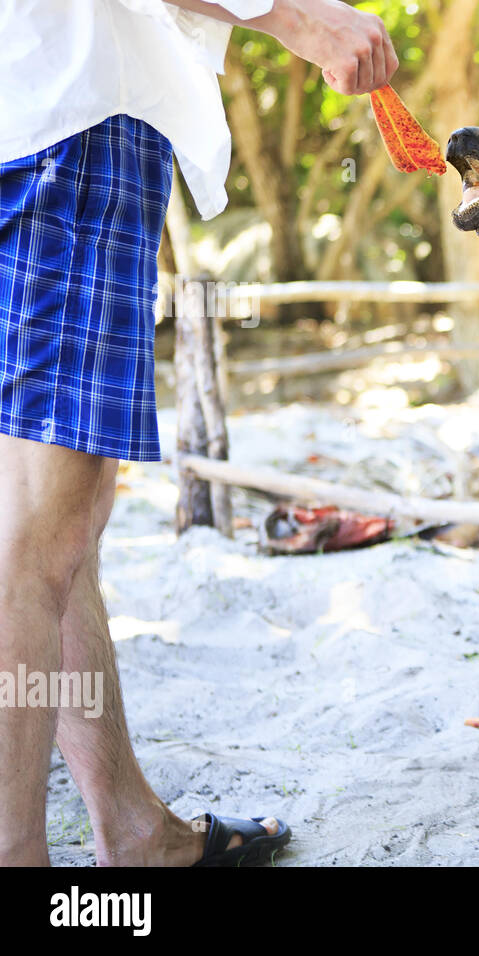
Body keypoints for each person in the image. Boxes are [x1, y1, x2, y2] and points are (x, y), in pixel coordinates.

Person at [0, 0, 397, 866]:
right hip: (65, 124)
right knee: (38, 538)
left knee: (51, 530)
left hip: (28, 111)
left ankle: (132, 829)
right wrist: (301, 17)